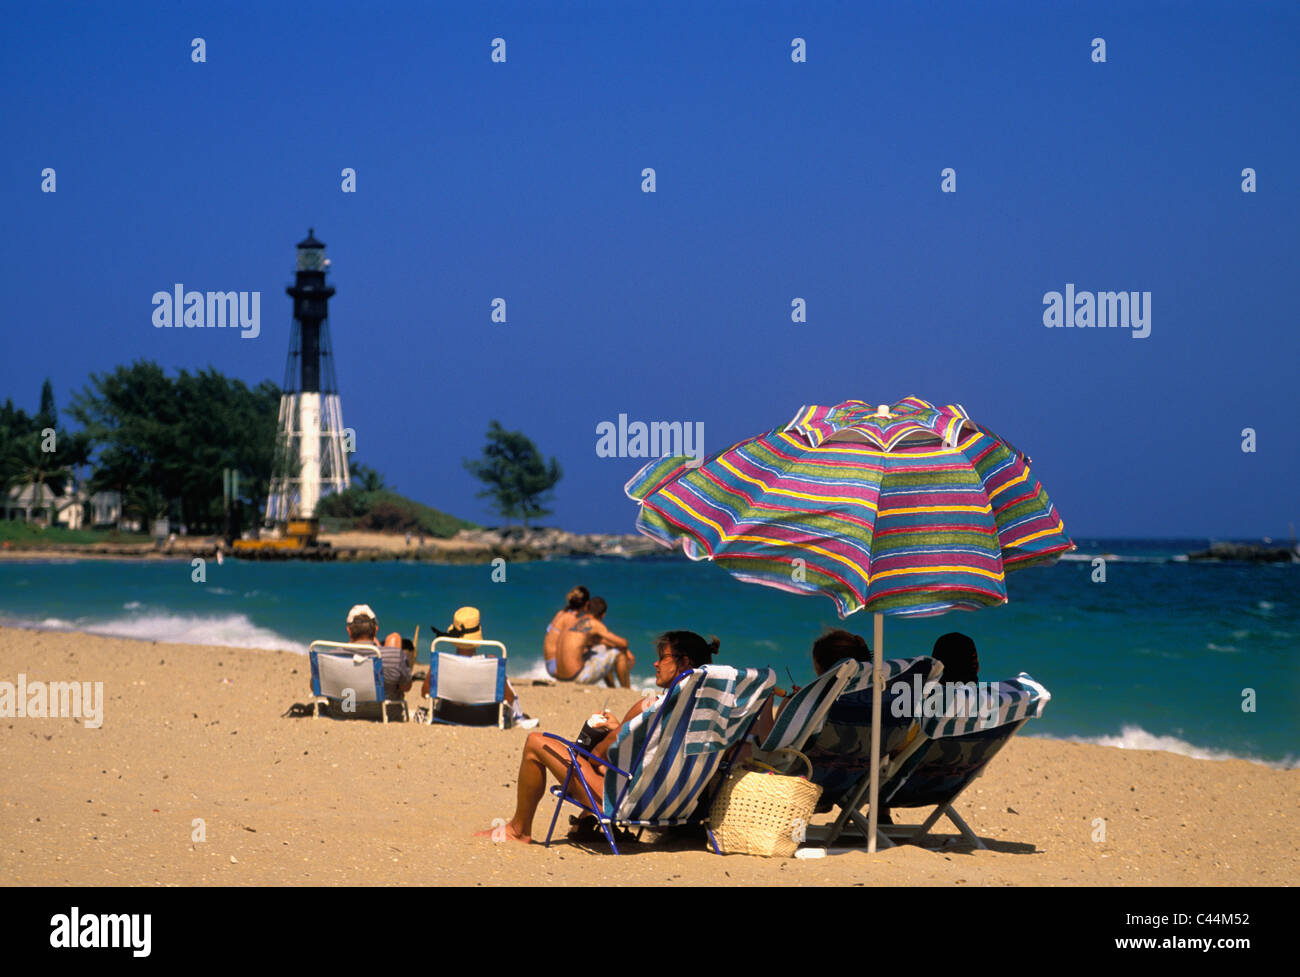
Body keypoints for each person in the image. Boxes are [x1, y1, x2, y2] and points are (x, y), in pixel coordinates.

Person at [476, 630, 719, 844]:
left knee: (536, 742)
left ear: (685, 662)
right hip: (672, 806)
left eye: (663, 657)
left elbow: (598, 755)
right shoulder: (711, 715)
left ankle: (518, 831)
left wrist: (609, 733)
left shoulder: (651, 707)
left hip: (622, 804)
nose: (655, 664)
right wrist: (622, 728)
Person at [424, 606, 536, 728]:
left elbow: (425, 692)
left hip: (448, 715)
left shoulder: (441, 663)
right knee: (503, 680)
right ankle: (519, 718)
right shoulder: (491, 663)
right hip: (484, 718)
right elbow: (508, 697)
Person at [343, 604, 412, 717]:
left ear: (349, 631)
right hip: (385, 712)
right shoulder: (394, 656)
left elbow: (314, 686)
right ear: (375, 630)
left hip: (345, 710)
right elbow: (406, 687)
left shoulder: (334, 655)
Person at [555, 596, 634, 687]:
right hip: (575, 678)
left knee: (602, 648)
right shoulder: (594, 623)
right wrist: (625, 650)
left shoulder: (573, 622)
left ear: (587, 608)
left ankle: (612, 688)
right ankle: (626, 690)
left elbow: (600, 641)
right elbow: (623, 643)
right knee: (619, 654)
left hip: (560, 677)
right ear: (603, 615)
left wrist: (610, 644)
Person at [542, 586, 589, 678]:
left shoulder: (561, 613)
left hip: (549, 663)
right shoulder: (571, 619)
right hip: (556, 667)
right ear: (586, 604)